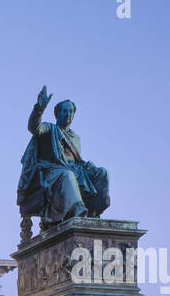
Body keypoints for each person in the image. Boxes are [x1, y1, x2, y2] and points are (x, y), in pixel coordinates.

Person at [17, 85, 110, 225]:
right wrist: (39, 108)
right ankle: (78, 209)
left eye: (71, 111)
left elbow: (76, 159)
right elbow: (33, 128)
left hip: (76, 170)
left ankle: (94, 212)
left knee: (103, 172)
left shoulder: (75, 137)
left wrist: (86, 165)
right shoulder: (49, 129)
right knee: (67, 175)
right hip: (52, 171)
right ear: (57, 114)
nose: (68, 114)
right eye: (65, 111)